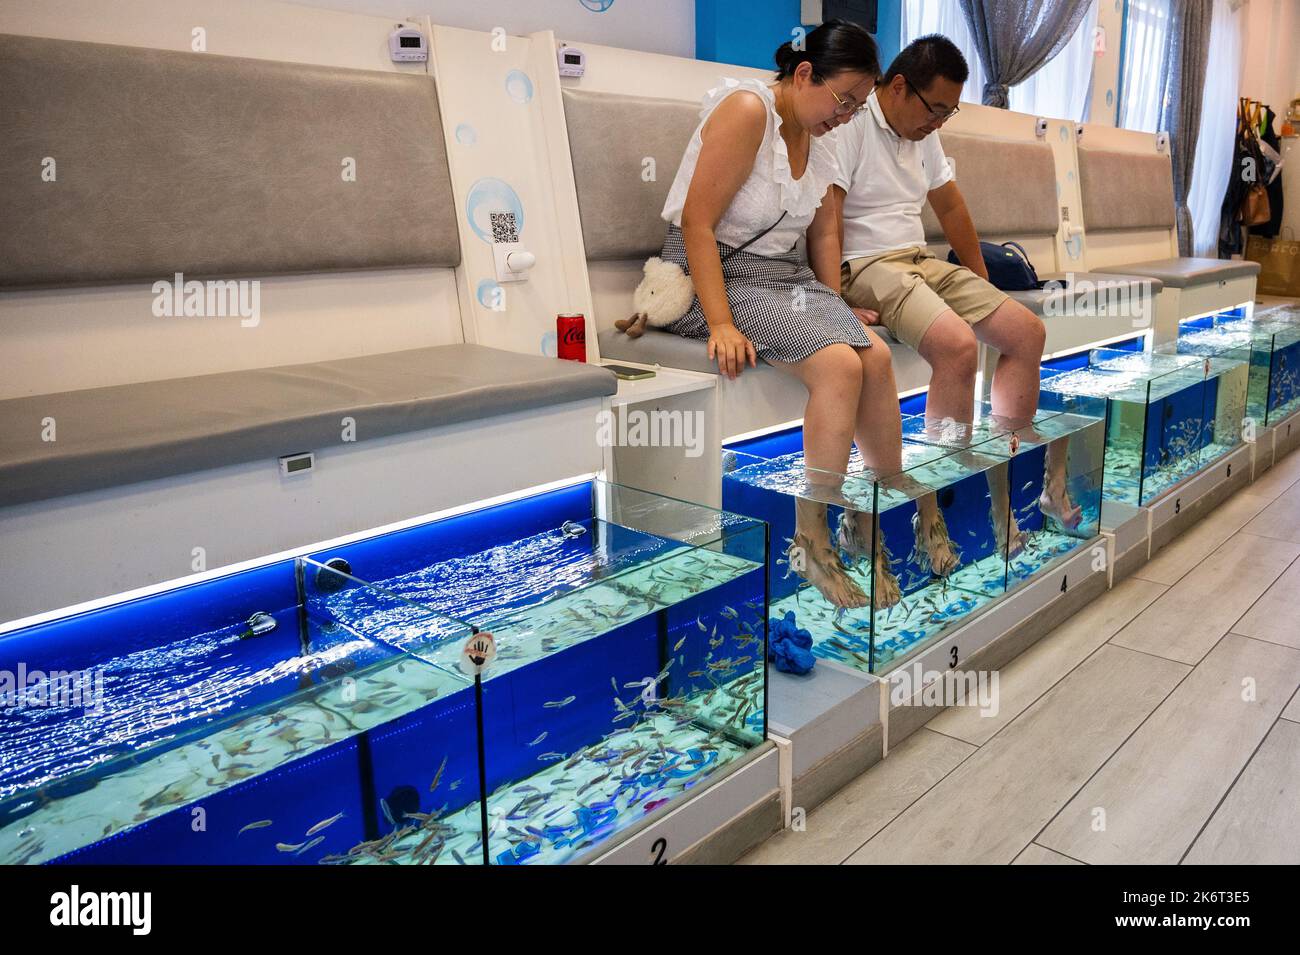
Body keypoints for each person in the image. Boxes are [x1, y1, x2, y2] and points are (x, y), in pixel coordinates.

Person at [657, 20, 904, 609]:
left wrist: (835, 307)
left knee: (878, 357)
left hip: (778, 277)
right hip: (708, 272)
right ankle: (810, 539)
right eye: (843, 100)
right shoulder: (748, 111)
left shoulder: (826, 135)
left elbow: (823, 231)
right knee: (839, 367)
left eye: (857, 106)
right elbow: (696, 225)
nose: (846, 116)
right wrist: (720, 322)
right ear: (802, 75)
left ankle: (866, 520)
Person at [831, 34, 1080, 559]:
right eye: (935, 109)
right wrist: (833, 298)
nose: (938, 122)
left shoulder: (925, 130)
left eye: (949, 112)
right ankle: (938, 506)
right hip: (867, 265)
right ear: (898, 87)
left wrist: (980, 282)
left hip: (918, 259)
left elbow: (951, 208)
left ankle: (1001, 469)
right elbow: (825, 218)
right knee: (959, 346)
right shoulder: (850, 122)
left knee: (1025, 330)